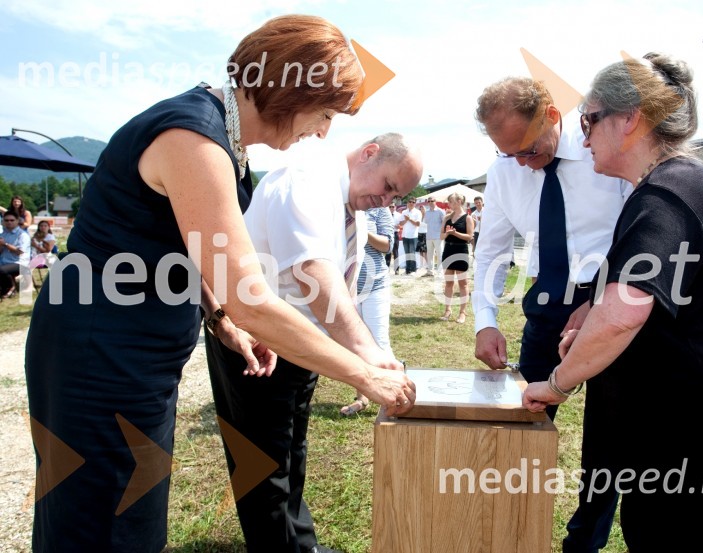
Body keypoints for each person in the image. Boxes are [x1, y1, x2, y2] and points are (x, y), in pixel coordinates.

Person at [24, 16, 415, 553]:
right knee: (102, 523)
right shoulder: (193, 137)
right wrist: (363, 373)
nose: (323, 131)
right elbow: (250, 294)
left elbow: (192, 251)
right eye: (324, 113)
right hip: (100, 352)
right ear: (289, 90)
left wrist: (219, 318)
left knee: (130, 514)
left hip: (135, 354)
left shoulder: (222, 140)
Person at [523, 52, 703, 552]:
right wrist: (586, 312)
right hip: (693, 415)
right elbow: (628, 283)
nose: (582, 136)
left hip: (702, 424)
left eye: (589, 120)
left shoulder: (667, 194)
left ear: (629, 121)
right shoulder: (667, 186)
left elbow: (625, 311)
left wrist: (557, 384)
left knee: (668, 537)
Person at [207, 133, 422, 552]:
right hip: (257, 343)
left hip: (300, 344)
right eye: (389, 187)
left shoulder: (347, 195)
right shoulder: (305, 181)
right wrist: (368, 357)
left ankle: (299, 544)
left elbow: (338, 288)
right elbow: (315, 278)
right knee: (264, 464)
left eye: (396, 197)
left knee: (292, 449)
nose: (387, 202)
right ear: (369, 154)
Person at [473, 76, 630, 552]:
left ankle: (585, 540)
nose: (522, 162)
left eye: (528, 148)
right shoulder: (504, 171)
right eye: (509, 153)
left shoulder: (608, 153)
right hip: (547, 302)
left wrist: (599, 295)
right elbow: (491, 251)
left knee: (609, 436)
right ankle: (511, 526)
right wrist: (485, 320)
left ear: (553, 115)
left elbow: (636, 233)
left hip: (612, 294)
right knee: (525, 419)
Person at [340, 204, 397, 416]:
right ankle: (362, 398)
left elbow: (387, 245)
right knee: (357, 346)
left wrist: (364, 231)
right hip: (348, 287)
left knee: (380, 342)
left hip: (375, 285)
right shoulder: (343, 206)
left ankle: (394, 393)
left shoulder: (379, 209)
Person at [440, 192, 473, 323]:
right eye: (449, 202)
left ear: (459, 201)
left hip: (461, 250)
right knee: (448, 282)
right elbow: (441, 236)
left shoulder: (467, 218)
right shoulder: (447, 217)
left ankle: (462, 312)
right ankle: (447, 310)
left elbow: (469, 236)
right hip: (448, 250)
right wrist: (448, 234)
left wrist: (455, 233)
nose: (449, 204)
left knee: (463, 283)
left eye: (451, 201)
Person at [0, 211, 30, 298]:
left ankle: (10, 288)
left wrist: (5, 244)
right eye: (7, 220)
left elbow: (20, 252)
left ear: (17, 221)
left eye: (12, 220)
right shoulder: (2, 234)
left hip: (19, 263)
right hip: (4, 261)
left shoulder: (23, 235)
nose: (9, 222)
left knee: (1, 270)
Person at [422, 197, 446, 276]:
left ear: (435, 202)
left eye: (432, 201)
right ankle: (430, 271)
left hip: (438, 236)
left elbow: (444, 223)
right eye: (429, 201)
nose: (430, 202)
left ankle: (440, 272)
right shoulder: (427, 212)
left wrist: (442, 234)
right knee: (430, 254)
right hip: (429, 236)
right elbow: (425, 223)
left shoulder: (440, 211)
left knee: (439, 254)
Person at [400, 198, 421, 274]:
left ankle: (413, 269)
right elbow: (401, 223)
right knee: (407, 253)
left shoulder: (417, 212)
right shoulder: (404, 212)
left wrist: (409, 219)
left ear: (415, 204)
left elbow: (418, 224)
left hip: (413, 235)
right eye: (410, 202)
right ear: (407, 203)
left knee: (412, 253)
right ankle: (407, 270)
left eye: (413, 202)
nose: (411, 203)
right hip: (405, 235)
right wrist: (406, 220)